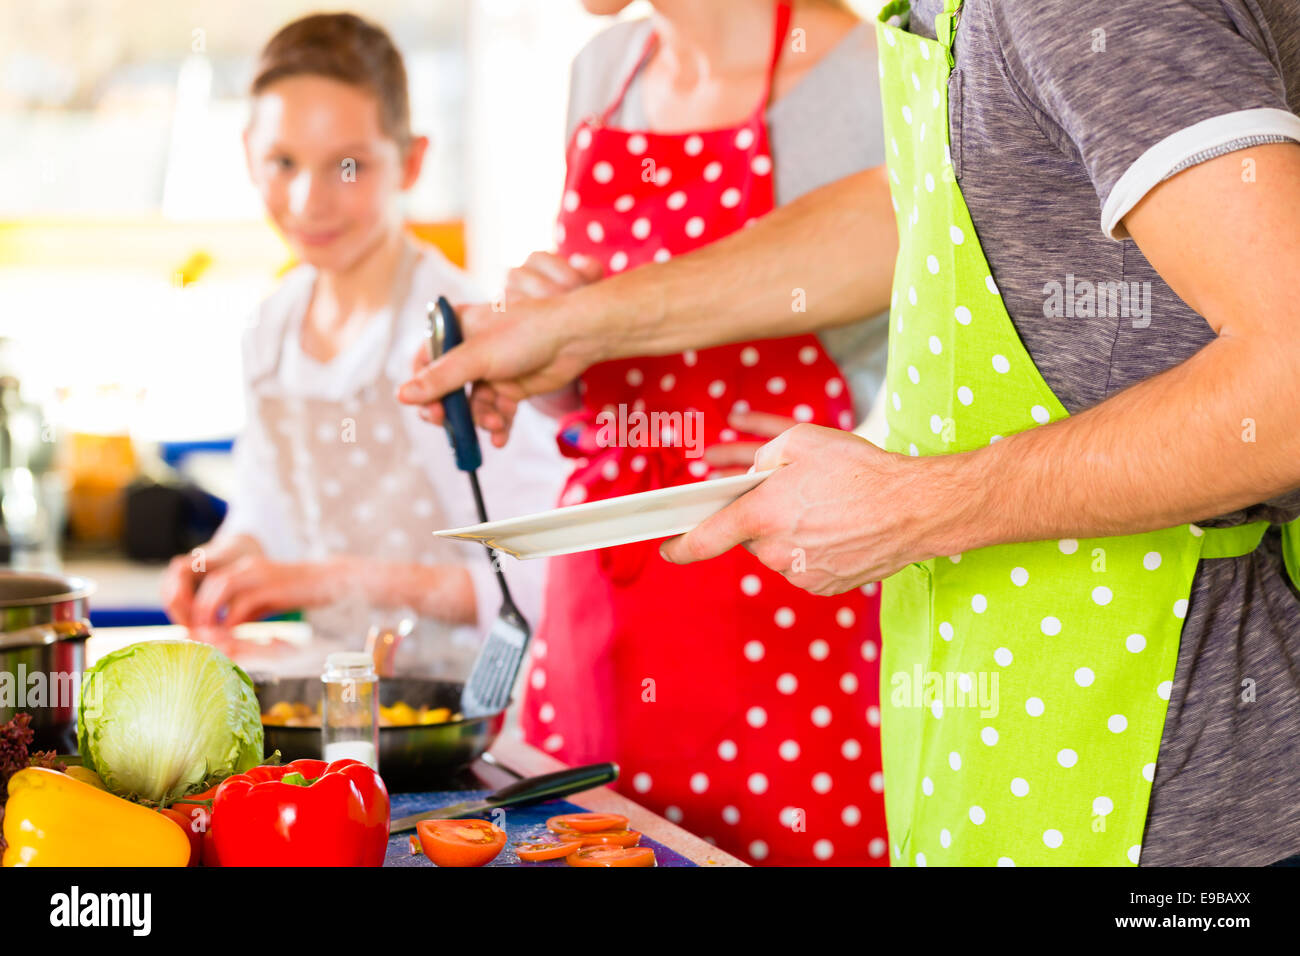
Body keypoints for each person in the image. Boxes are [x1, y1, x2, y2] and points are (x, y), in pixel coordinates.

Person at [401, 0, 1300, 866]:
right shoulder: (939, 17)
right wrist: (585, 323)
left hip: (1171, 765)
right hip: (981, 719)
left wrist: (915, 504)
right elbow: (916, 199)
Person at [485, 0, 892, 865]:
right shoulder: (604, 70)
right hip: (606, 586)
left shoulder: (870, 73)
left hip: (787, 591)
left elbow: (940, 353)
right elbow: (597, 383)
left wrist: (880, 434)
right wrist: (548, 348)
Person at [162, 13, 565, 674]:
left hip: (479, 720)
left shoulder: (461, 336)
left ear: (412, 161)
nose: (307, 199)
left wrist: (325, 579)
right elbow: (271, 518)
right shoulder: (271, 330)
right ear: (246, 154)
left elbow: (541, 573)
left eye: (347, 165)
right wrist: (223, 560)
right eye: (283, 161)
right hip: (346, 711)